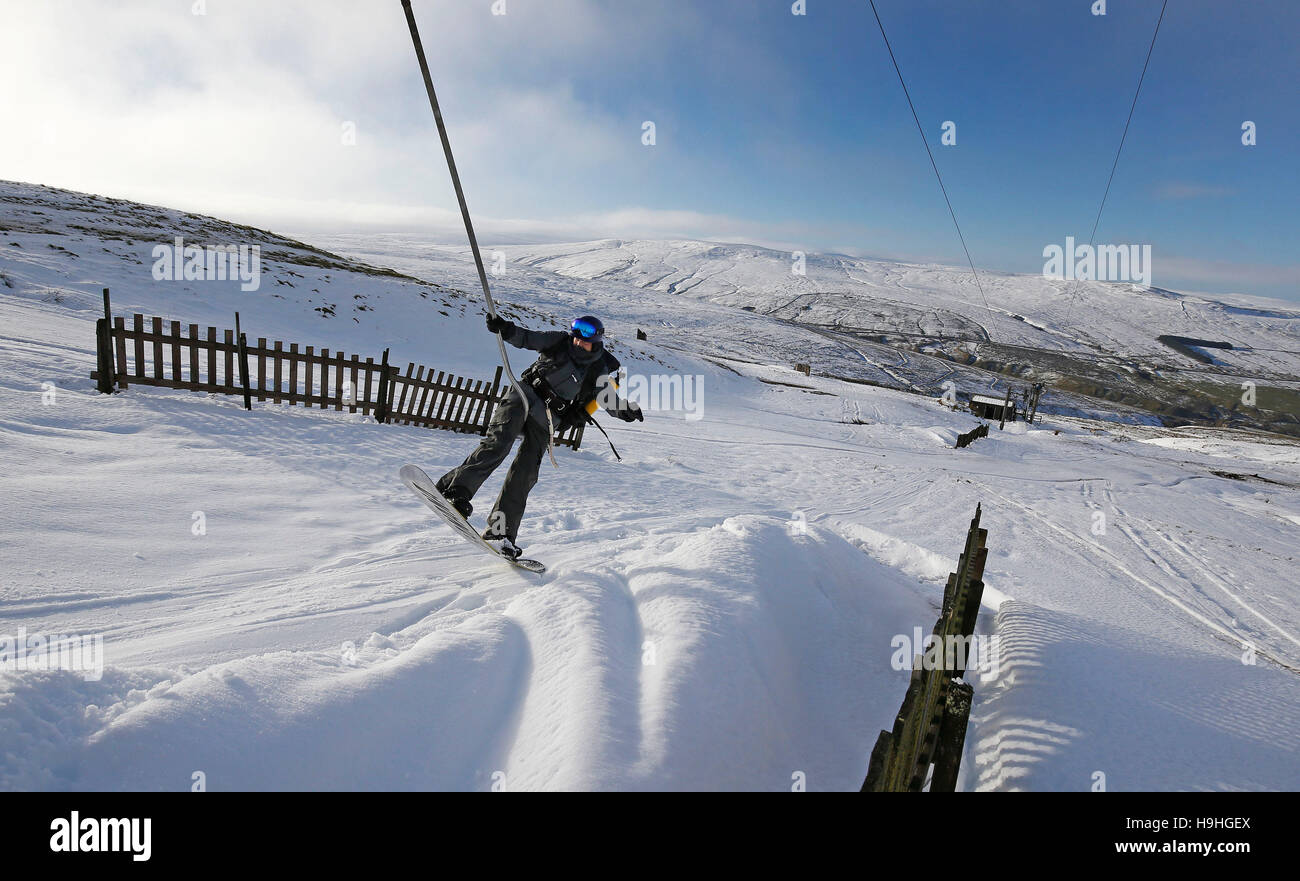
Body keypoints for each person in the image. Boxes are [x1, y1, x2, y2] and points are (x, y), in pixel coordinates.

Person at [436, 314, 643, 559]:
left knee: (525, 474)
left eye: (584, 337)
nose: (577, 341)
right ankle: (457, 491)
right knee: (498, 444)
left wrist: (627, 410)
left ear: (596, 339)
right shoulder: (559, 342)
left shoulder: (598, 369)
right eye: (575, 335)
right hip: (525, 395)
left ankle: (500, 532)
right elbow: (529, 338)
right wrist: (505, 329)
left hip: (547, 418)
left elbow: (608, 399)